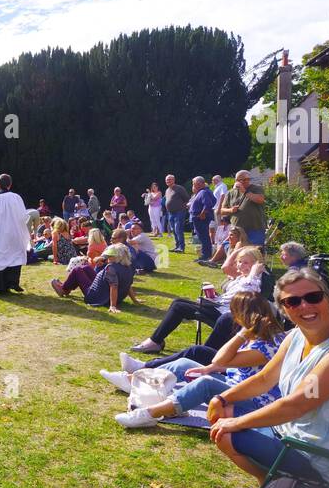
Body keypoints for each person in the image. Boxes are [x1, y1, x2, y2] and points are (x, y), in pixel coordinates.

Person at [206, 268, 329, 488]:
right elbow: (265, 378)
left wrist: (234, 423)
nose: (304, 306)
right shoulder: (296, 336)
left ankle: (268, 484)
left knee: (225, 434)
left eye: (313, 297)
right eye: (292, 302)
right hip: (305, 435)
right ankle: (271, 486)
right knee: (225, 414)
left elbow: (295, 406)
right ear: (283, 310)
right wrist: (222, 398)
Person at [107, 292, 285, 427]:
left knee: (205, 383)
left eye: (235, 313)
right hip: (238, 386)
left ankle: (148, 415)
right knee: (185, 364)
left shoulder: (266, 346)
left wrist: (242, 334)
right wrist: (208, 369)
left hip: (254, 401)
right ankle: (135, 380)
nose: (233, 318)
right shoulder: (263, 338)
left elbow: (220, 360)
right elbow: (221, 365)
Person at [129, 245, 266, 353]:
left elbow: (250, 290)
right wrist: (214, 297)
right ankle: (156, 341)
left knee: (179, 307)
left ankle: (154, 342)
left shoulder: (256, 279)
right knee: (178, 302)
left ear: (256, 264)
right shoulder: (244, 277)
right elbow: (231, 296)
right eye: (240, 262)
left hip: (228, 318)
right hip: (220, 308)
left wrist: (253, 271)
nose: (241, 266)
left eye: (246, 263)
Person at [50, 242, 138, 312]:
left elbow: (113, 286)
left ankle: (63, 289)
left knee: (77, 270)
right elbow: (128, 284)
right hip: (105, 294)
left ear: (116, 257)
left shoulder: (111, 268)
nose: (108, 258)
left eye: (110, 256)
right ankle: (67, 287)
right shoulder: (128, 267)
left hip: (96, 297)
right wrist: (135, 300)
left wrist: (113, 306)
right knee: (86, 267)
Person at [219, 170, 266, 247]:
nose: (246, 181)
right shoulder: (231, 193)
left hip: (255, 228)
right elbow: (222, 210)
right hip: (237, 229)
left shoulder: (256, 188)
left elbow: (260, 200)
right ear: (236, 181)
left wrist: (244, 191)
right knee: (234, 249)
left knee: (255, 250)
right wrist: (230, 210)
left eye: (248, 179)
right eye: (243, 180)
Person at [188, 176, 217, 262]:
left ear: (201, 183)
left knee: (203, 236)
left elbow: (208, 204)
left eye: (195, 184)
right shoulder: (203, 192)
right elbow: (214, 200)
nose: (194, 185)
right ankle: (205, 254)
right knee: (203, 236)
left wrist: (203, 213)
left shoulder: (204, 192)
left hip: (201, 218)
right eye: (193, 184)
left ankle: (206, 255)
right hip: (198, 217)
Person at [163, 174, 190, 253]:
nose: (168, 181)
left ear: (174, 180)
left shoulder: (179, 188)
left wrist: (183, 208)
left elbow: (186, 199)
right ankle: (177, 246)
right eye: (167, 180)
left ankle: (181, 247)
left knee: (178, 229)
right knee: (173, 230)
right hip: (170, 213)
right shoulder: (167, 190)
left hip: (179, 212)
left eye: (170, 179)